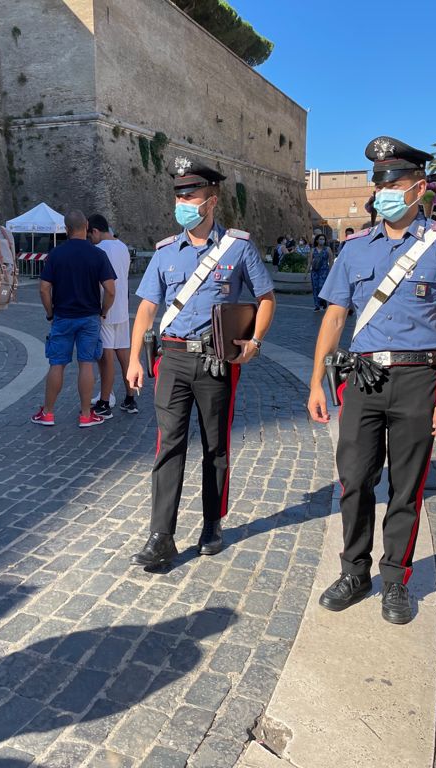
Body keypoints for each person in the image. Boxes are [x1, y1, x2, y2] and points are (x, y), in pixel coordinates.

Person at [307, 137, 436, 624]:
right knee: (354, 481)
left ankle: (396, 579)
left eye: (396, 183)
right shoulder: (354, 248)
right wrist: (315, 380)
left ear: (419, 188)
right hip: (362, 380)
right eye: (380, 184)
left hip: (418, 378)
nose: (385, 191)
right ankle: (353, 570)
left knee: (406, 488)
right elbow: (335, 315)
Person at [127, 158, 276, 568]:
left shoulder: (238, 248)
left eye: (190, 195)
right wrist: (135, 359)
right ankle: (161, 535)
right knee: (168, 445)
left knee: (215, 446)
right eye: (178, 195)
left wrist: (254, 342)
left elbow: (266, 299)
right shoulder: (164, 253)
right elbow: (146, 308)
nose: (182, 202)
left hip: (216, 361)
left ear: (211, 200)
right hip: (171, 359)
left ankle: (212, 521)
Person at [32, 210, 116, 428]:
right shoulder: (98, 254)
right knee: (86, 364)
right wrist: (103, 311)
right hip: (89, 317)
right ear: (87, 226)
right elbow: (110, 290)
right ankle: (87, 414)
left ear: (66, 229)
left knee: (57, 364)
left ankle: (48, 413)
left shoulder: (56, 254)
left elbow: (43, 289)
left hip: (63, 316)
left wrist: (50, 312)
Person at [88, 213, 136, 416]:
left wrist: (101, 310)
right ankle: (130, 398)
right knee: (124, 356)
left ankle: (105, 402)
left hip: (106, 309)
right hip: (122, 310)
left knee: (106, 358)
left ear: (96, 231)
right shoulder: (123, 247)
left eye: (90, 235)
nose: (90, 239)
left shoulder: (98, 250)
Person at [307, 233, 333, 311]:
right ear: (317, 240)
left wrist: (331, 271)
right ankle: (317, 305)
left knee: (321, 286)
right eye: (321, 239)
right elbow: (310, 262)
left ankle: (323, 301)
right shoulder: (313, 250)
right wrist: (306, 273)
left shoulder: (327, 249)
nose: (322, 241)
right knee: (315, 288)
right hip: (315, 271)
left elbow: (331, 260)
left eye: (323, 239)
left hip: (324, 271)